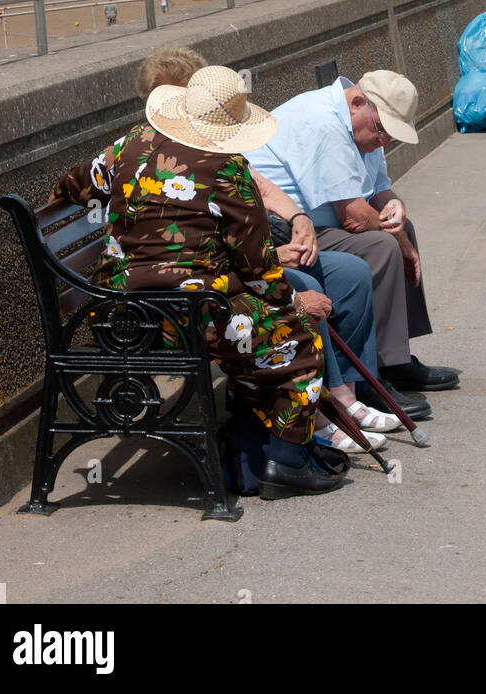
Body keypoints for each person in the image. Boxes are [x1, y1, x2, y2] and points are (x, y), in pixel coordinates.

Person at [50, 65, 345, 499]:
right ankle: (285, 464)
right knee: (296, 338)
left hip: (116, 314)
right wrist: (296, 302)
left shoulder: (130, 144)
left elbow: (74, 185)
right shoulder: (228, 171)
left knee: (255, 328)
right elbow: (259, 272)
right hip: (186, 318)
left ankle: (249, 454)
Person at [246, 70, 458, 416]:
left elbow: (378, 189)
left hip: (317, 220)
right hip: (288, 230)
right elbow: (353, 217)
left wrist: (396, 209)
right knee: (381, 246)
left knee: (401, 230)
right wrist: (397, 234)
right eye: (383, 130)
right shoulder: (324, 123)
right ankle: (372, 375)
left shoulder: (364, 127)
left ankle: (396, 358)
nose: (385, 140)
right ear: (358, 103)